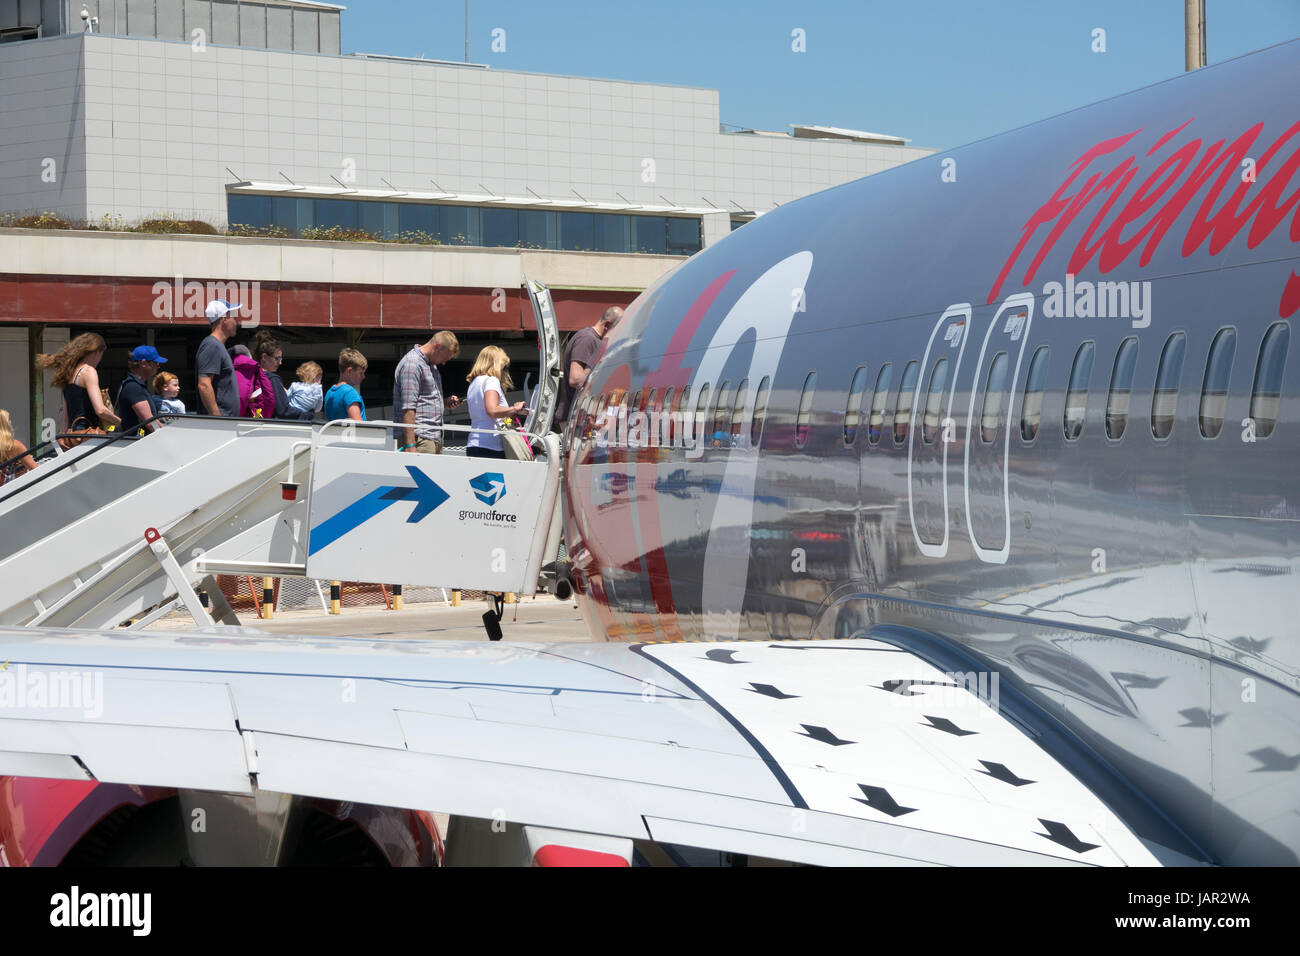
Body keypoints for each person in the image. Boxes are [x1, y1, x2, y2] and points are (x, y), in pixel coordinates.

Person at [36, 332, 122, 434]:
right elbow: (100, 410)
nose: (100, 360)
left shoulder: (69, 373)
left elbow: (65, 415)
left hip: (73, 435)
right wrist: (119, 422)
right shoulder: (89, 371)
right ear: (96, 352)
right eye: (101, 355)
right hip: (88, 435)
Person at [394, 331, 462, 454]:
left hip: (431, 437)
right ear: (436, 347)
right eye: (444, 358)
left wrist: (444, 402)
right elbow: (408, 407)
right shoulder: (412, 364)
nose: (443, 362)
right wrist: (410, 445)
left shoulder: (430, 364)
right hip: (420, 439)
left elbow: (423, 399)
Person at [555, 306, 622, 428]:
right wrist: (599, 361)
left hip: (579, 418)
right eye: (617, 328)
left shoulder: (592, 339)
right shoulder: (587, 339)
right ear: (607, 324)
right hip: (573, 420)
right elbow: (575, 380)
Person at [465, 346, 526, 459]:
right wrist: (514, 409)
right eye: (503, 366)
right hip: (491, 446)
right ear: (496, 364)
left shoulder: (474, 383)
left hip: (474, 444)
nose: (503, 370)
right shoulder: (491, 381)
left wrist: (509, 414)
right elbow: (492, 410)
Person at [197, 300, 241, 416]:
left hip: (223, 424)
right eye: (234, 317)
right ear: (224, 318)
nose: (237, 321)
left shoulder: (217, 346)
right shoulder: (212, 345)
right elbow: (204, 385)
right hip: (219, 426)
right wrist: (218, 419)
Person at [251, 329, 302, 419]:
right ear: (264, 357)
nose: (280, 363)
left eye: (281, 359)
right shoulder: (272, 379)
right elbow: (283, 410)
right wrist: (305, 414)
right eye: (277, 358)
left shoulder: (251, 375)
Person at [115, 345, 166, 434]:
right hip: (137, 443)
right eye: (156, 363)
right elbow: (150, 422)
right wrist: (168, 435)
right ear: (144, 363)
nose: (158, 366)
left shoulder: (136, 385)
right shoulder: (134, 388)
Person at [233, 344, 276, 419]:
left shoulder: (225, 366)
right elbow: (269, 397)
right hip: (250, 418)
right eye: (277, 358)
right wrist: (265, 416)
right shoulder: (254, 367)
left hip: (226, 416)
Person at [324, 348, 368, 421]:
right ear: (349, 371)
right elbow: (358, 425)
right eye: (361, 373)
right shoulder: (350, 393)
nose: (364, 376)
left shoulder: (330, 392)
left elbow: (326, 421)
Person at [0, 409, 39, 485]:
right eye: (8, 420)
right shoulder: (15, 445)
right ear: (5, 424)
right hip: (7, 492)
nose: (10, 422)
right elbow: (36, 469)